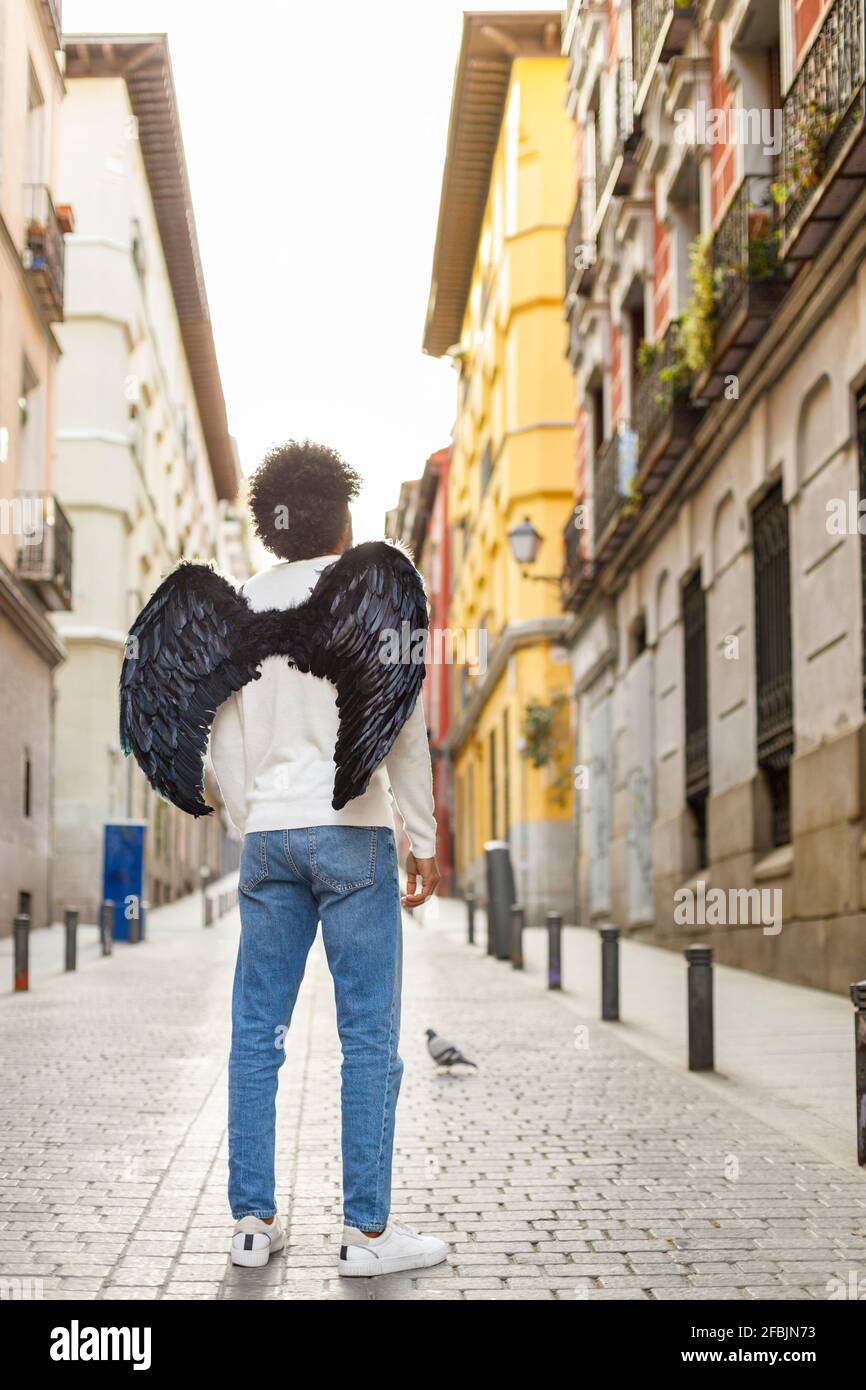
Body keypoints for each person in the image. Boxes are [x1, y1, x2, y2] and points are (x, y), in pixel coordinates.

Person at [209, 440, 444, 1277]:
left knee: (255, 1033)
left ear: (272, 528)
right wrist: (422, 834)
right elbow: (404, 723)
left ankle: (252, 1222)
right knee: (369, 1036)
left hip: (272, 837)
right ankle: (367, 1236)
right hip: (356, 833)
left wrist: (252, 817)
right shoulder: (375, 594)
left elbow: (220, 735)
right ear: (343, 519)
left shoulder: (237, 607)